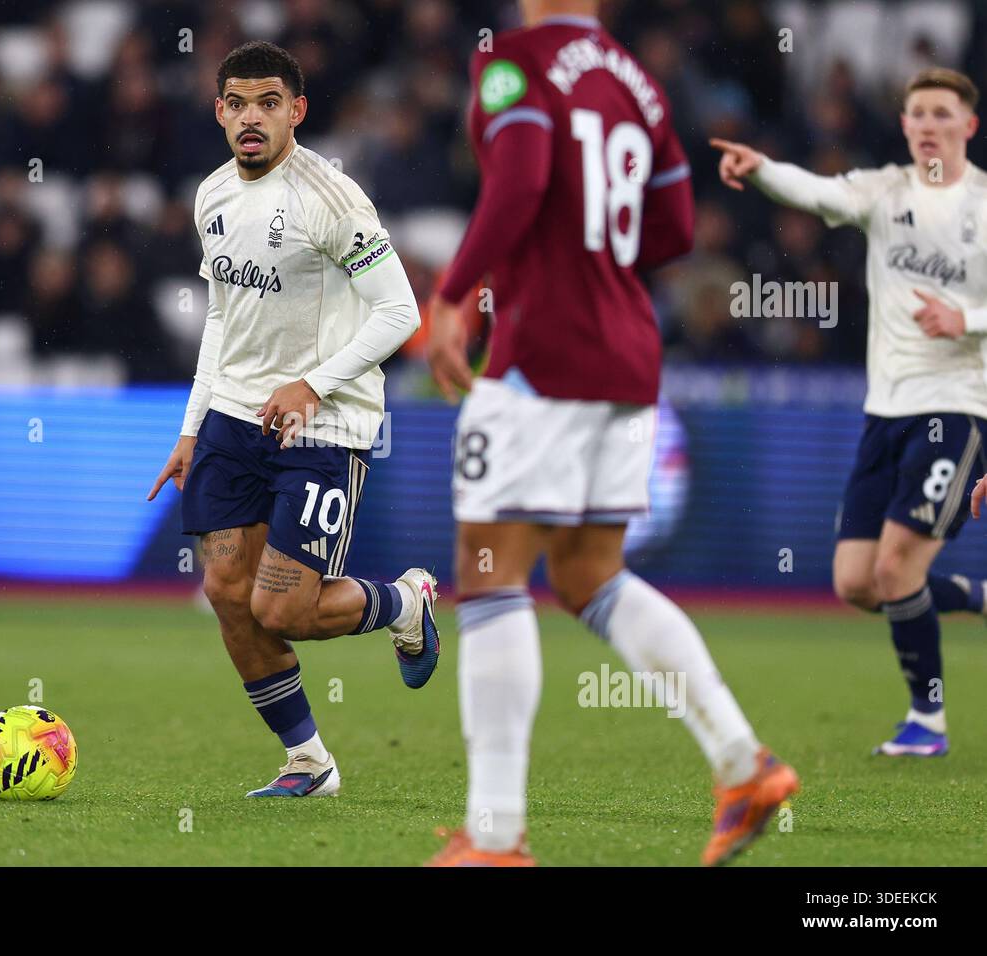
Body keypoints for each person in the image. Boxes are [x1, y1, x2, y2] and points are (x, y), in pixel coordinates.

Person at [425, 0, 798, 866]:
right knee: (591, 573)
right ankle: (742, 764)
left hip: (542, 352)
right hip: (627, 351)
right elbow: (669, 228)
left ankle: (494, 839)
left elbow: (517, 184)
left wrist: (453, 293)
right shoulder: (641, 84)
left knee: (489, 574)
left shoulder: (513, 64)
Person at [148, 41, 439, 799]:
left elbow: (401, 312)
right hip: (232, 419)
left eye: (268, 103)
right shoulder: (211, 195)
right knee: (225, 590)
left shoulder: (332, 198)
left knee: (286, 607)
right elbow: (223, 315)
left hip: (323, 421)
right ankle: (308, 761)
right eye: (238, 104)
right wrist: (191, 425)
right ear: (219, 112)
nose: (252, 118)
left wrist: (313, 384)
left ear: (296, 113)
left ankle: (406, 602)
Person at [713, 67, 987, 758]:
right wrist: (763, 168)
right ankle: (977, 597)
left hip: (955, 408)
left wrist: (968, 317)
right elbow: (818, 192)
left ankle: (927, 722)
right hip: (882, 413)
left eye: (942, 113)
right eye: (917, 112)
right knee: (857, 584)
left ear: (968, 126)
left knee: (897, 572)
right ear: (903, 125)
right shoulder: (884, 190)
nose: (928, 123)